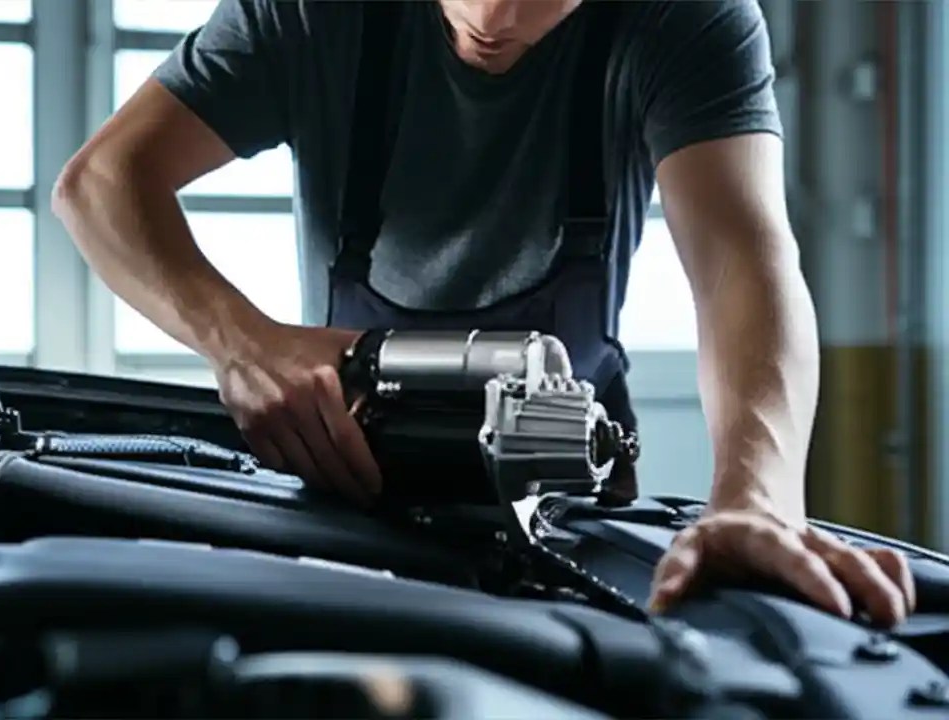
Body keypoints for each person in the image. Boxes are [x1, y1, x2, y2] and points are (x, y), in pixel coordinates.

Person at [52, 0, 916, 627]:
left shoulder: (684, 20)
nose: (497, 16)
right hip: (345, 511)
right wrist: (242, 344)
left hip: (569, 521)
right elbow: (100, 184)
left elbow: (745, 264)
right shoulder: (310, 13)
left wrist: (757, 502)